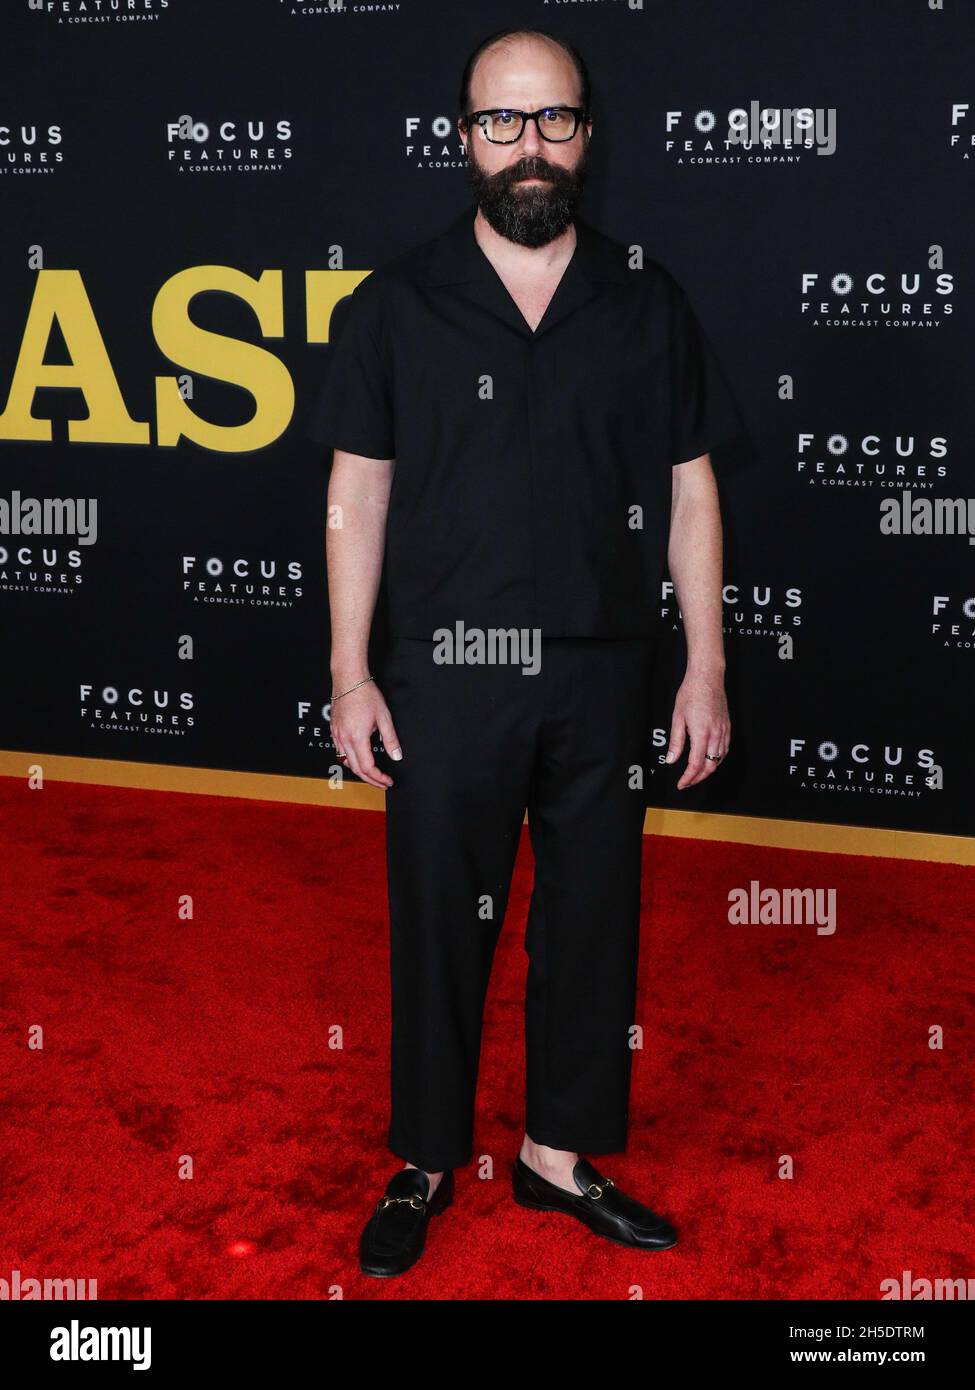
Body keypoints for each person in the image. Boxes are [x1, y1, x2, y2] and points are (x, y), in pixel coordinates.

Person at [305, 26, 747, 1278]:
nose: (529, 147)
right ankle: (428, 1158)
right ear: (464, 140)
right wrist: (350, 669)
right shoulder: (396, 302)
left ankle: (558, 1155)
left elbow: (691, 491)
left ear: (587, 136)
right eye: (503, 123)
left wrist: (703, 663)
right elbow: (358, 492)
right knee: (440, 919)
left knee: (594, 921)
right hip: (445, 674)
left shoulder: (646, 297)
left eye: (552, 119)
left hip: (607, 672)